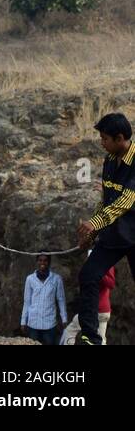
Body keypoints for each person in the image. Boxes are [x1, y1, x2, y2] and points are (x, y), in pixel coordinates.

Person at [75, 111, 135, 344]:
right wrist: (93, 231)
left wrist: (95, 223)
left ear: (120, 138)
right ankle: (91, 339)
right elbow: (107, 199)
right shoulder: (109, 160)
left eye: (105, 139)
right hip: (114, 234)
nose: (101, 143)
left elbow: (126, 201)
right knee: (88, 276)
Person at [61, 263, 115, 344]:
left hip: (93, 310)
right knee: (101, 339)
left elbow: (111, 283)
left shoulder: (99, 264)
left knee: (70, 330)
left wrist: (97, 272)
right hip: (104, 311)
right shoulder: (108, 262)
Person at [20, 254, 67, 345]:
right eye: (40, 260)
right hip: (33, 323)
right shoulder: (30, 279)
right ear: (37, 262)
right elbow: (27, 301)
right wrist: (23, 321)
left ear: (49, 262)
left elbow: (61, 300)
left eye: (45, 260)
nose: (42, 262)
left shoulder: (56, 279)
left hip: (49, 324)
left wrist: (64, 318)